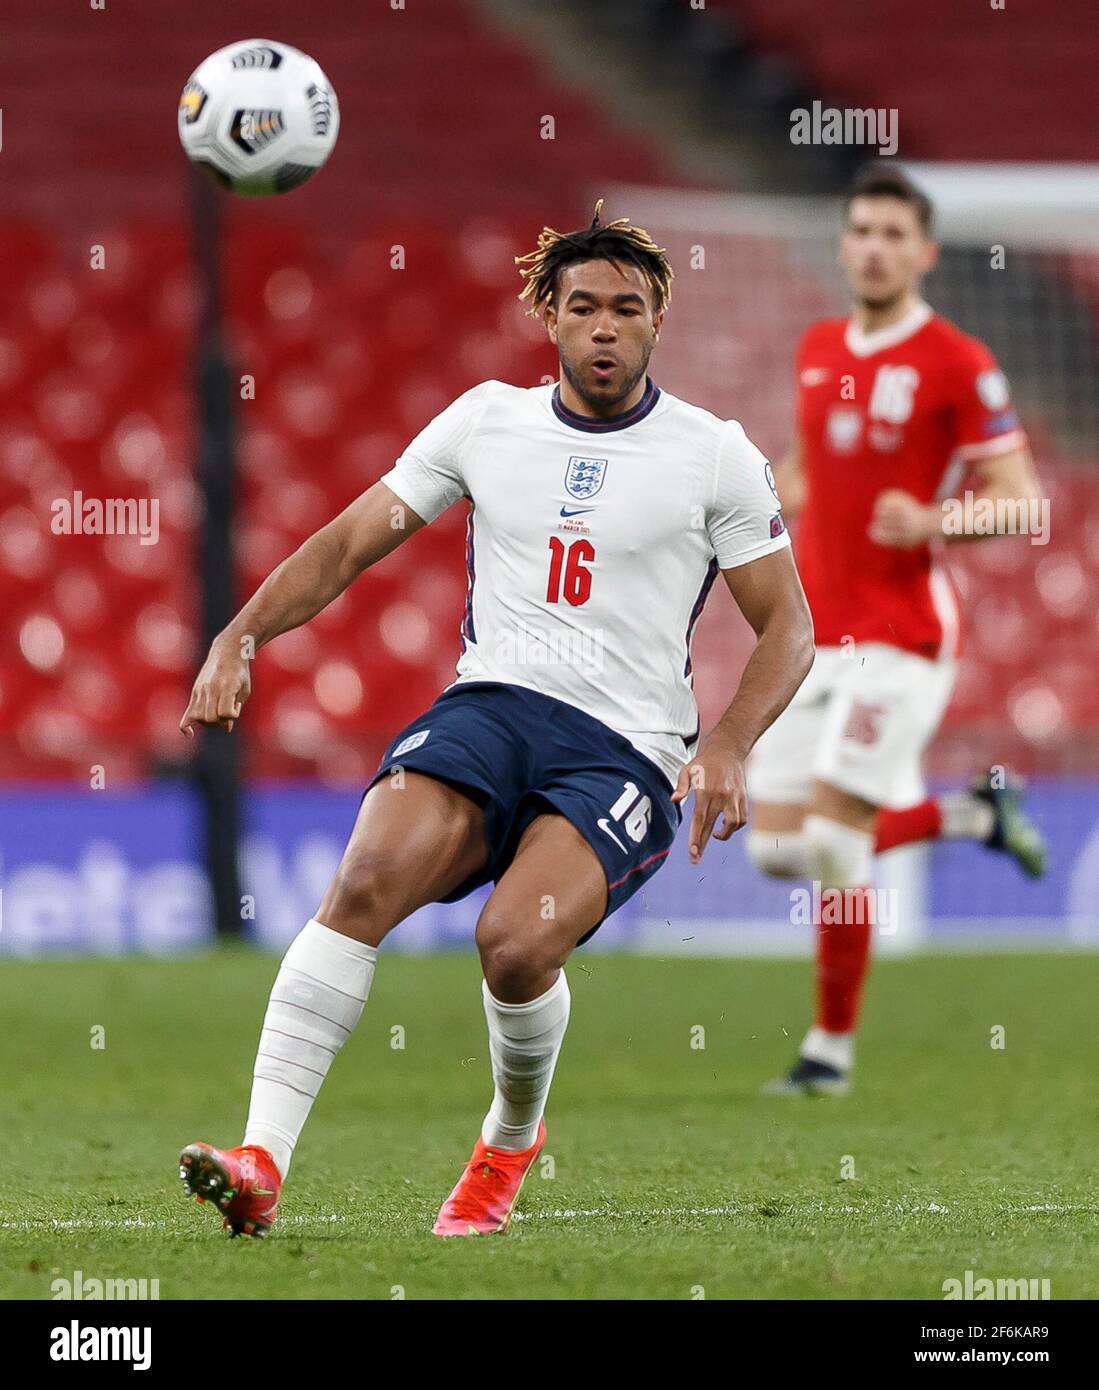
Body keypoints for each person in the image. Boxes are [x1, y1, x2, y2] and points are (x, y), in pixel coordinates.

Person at [177, 201, 814, 1237]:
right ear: (548, 319)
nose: (604, 326)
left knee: (514, 945)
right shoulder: (485, 421)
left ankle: (509, 1141)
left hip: (625, 750)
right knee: (365, 880)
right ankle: (259, 1160)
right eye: (582, 308)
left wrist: (729, 741)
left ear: (657, 322)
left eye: (627, 308)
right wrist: (239, 633)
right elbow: (345, 545)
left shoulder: (714, 456)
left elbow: (788, 624)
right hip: (490, 708)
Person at [747, 165, 1047, 1098]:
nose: (874, 247)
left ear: (922, 253)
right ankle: (968, 814)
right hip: (814, 637)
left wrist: (934, 522)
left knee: (837, 839)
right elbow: (802, 471)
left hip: (901, 637)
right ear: (843, 246)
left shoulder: (958, 361)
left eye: (892, 234)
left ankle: (826, 1055)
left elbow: (1020, 504)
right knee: (774, 852)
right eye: (861, 231)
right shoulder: (817, 345)